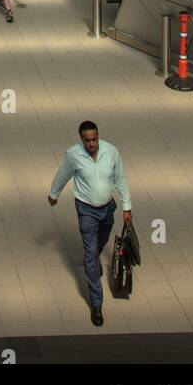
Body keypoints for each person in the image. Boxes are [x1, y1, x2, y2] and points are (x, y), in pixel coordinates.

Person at [48, 121, 133, 327]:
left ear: (98, 136)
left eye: (94, 139)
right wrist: (54, 193)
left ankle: (92, 262)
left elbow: (120, 178)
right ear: (81, 140)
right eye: (87, 141)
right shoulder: (73, 155)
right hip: (86, 209)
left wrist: (127, 205)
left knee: (99, 244)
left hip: (107, 209)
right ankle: (96, 303)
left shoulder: (111, 152)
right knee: (90, 252)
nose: (92, 144)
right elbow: (63, 174)